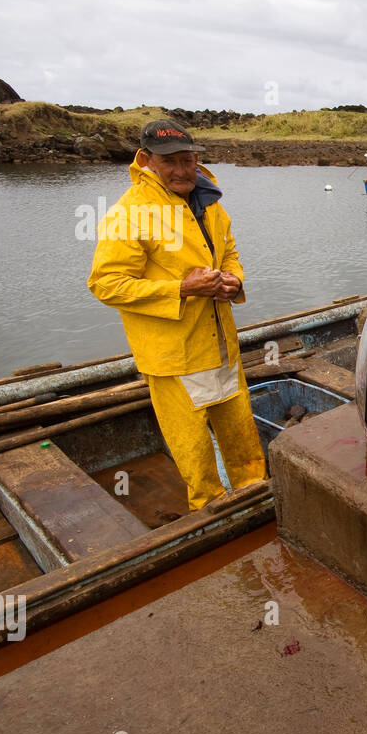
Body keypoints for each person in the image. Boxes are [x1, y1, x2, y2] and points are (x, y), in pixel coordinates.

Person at [88, 119, 266, 511]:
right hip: (173, 356)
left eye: (188, 160)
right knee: (194, 451)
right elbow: (105, 283)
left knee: (243, 438)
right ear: (146, 160)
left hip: (221, 344)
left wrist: (234, 281)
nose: (182, 170)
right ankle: (210, 513)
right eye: (169, 162)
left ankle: (256, 498)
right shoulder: (129, 214)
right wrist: (181, 290)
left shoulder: (208, 200)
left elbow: (230, 252)